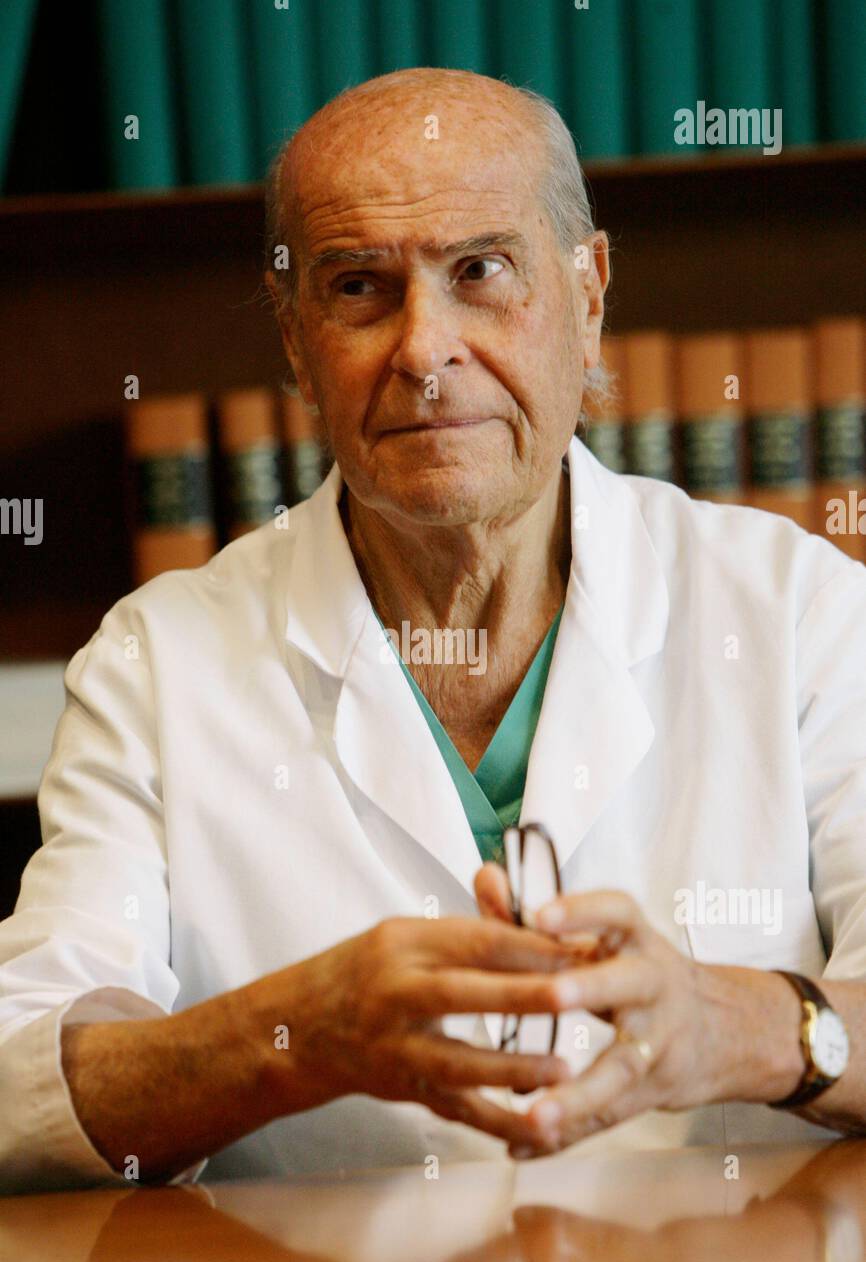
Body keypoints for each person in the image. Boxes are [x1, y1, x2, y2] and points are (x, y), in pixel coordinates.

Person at [1, 69, 864, 1194]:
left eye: (479, 271)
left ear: (588, 289)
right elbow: (29, 1079)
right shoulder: (155, 662)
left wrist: (737, 1026)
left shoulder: (796, 606)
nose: (423, 349)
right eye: (359, 286)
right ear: (298, 344)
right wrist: (296, 1034)